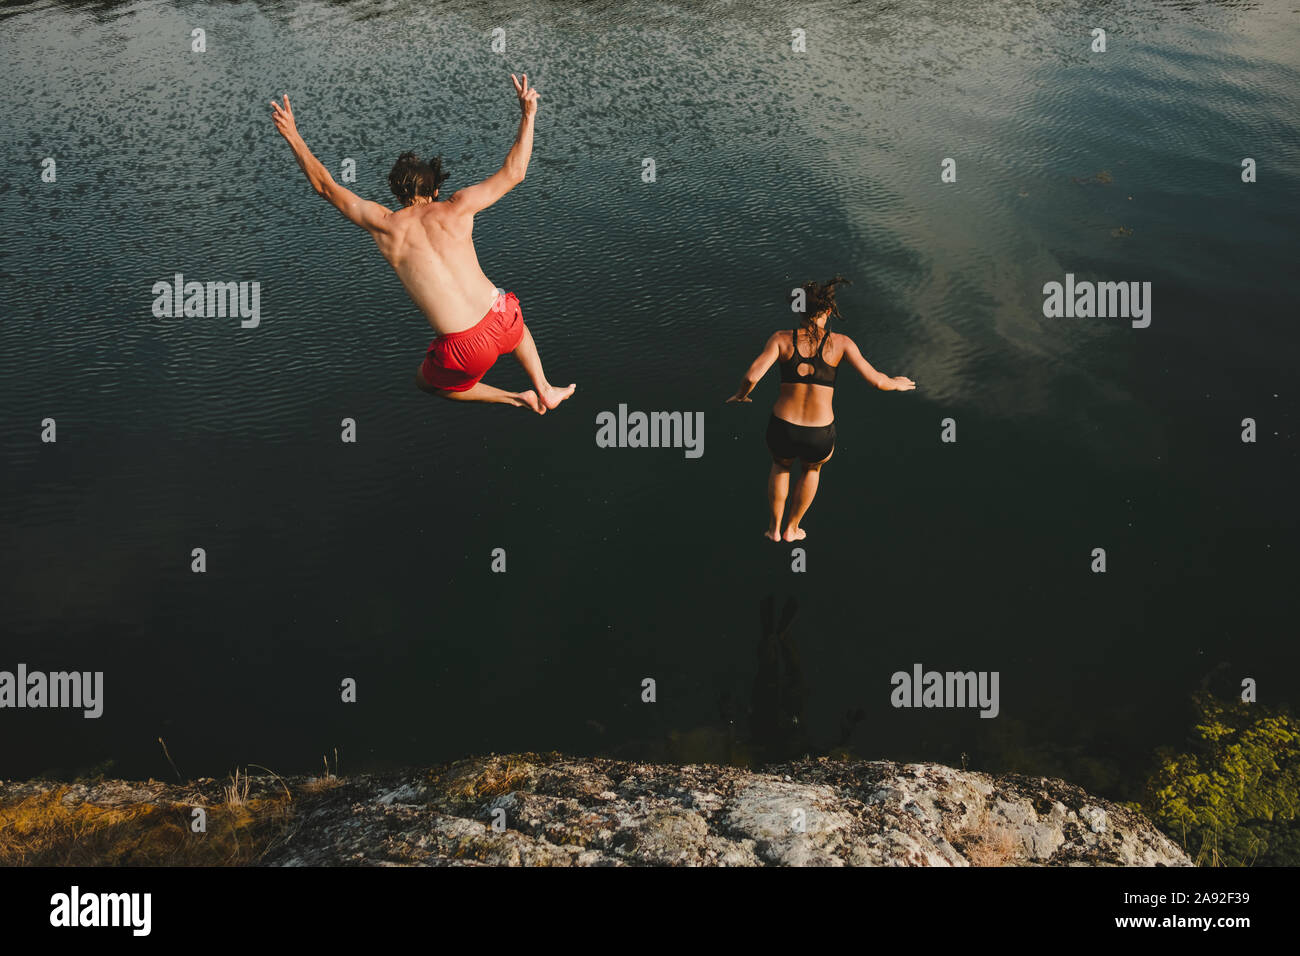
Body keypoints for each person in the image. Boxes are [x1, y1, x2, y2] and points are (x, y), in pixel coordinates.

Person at [270, 74, 575, 413]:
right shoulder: (458, 207)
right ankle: (544, 386)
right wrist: (528, 114)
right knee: (513, 318)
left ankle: (516, 398)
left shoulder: (386, 226)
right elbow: (514, 172)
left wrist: (293, 135)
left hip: (464, 348)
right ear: (434, 191)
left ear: (398, 195)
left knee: (425, 382)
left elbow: (326, 187)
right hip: (503, 318)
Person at [725, 277, 916, 541]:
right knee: (810, 470)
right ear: (828, 311)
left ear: (800, 310)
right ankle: (793, 529)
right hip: (819, 432)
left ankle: (773, 529)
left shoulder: (781, 339)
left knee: (781, 466)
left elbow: (752, 377)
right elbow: (876, 381)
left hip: (783, 426)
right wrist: (897, 384)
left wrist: (740, 395)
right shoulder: (841, 343)